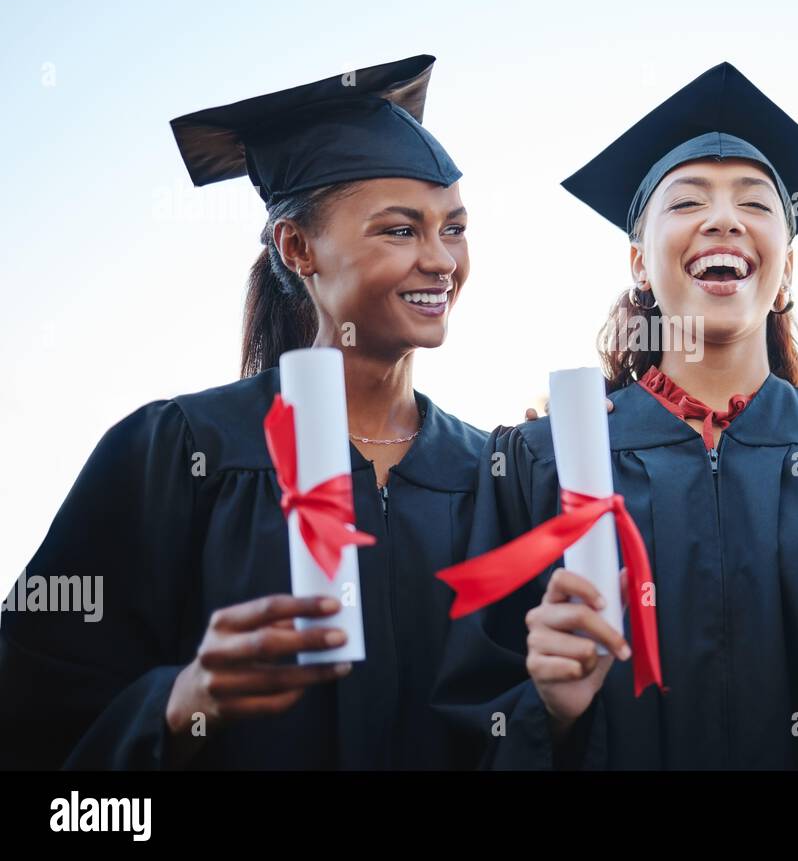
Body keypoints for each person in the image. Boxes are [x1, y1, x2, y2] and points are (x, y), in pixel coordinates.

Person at [0, 56, 487, 769]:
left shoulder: (491, 477)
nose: (441, 260)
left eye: (455, 227)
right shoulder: (178, 454)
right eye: (399, 230)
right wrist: (178, 703)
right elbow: (32, 712)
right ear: (298, 249)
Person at [434, 62, 798, 769]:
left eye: (757, 204)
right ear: (639, 262)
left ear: (786, 270)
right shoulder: (545, 465)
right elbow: (468, 721)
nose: (724, 218)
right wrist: (546, 711)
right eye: (688, 202)